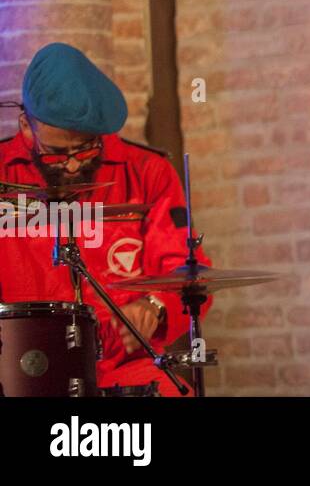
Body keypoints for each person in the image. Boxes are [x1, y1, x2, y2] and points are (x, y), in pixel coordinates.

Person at [0, 43, 211, 396]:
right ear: (26, 127)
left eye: (85, 149)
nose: (71, 165)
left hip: (124, 371)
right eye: (55, 154)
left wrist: (156, 304)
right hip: (20, 369)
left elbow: (188, 270)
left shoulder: (148, 173)